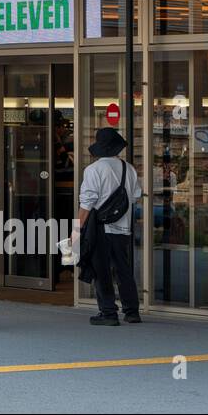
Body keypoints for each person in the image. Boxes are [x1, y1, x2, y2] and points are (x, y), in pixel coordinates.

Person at [77, 128, 143, 326]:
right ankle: (132, 311)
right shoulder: (128, 169)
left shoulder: (93, 170)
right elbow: (135, 197)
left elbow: (87, 204)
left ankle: (108, 312)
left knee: (101, 270)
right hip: (123, 228)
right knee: (123, 268)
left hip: (100, 228)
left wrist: (75, 230)